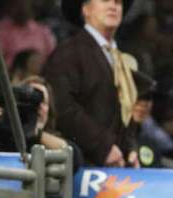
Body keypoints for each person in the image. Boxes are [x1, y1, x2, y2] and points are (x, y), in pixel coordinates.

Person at [44, 0, 139, 169]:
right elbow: (62, 107)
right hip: (79, 168)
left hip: (116, 169)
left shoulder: (120, 59)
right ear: (85, 9)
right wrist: (103, 146)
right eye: (105, 0)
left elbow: (126, 111)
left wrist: (130, 148)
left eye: (118, 2)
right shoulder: (69, 52)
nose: (113, 5)